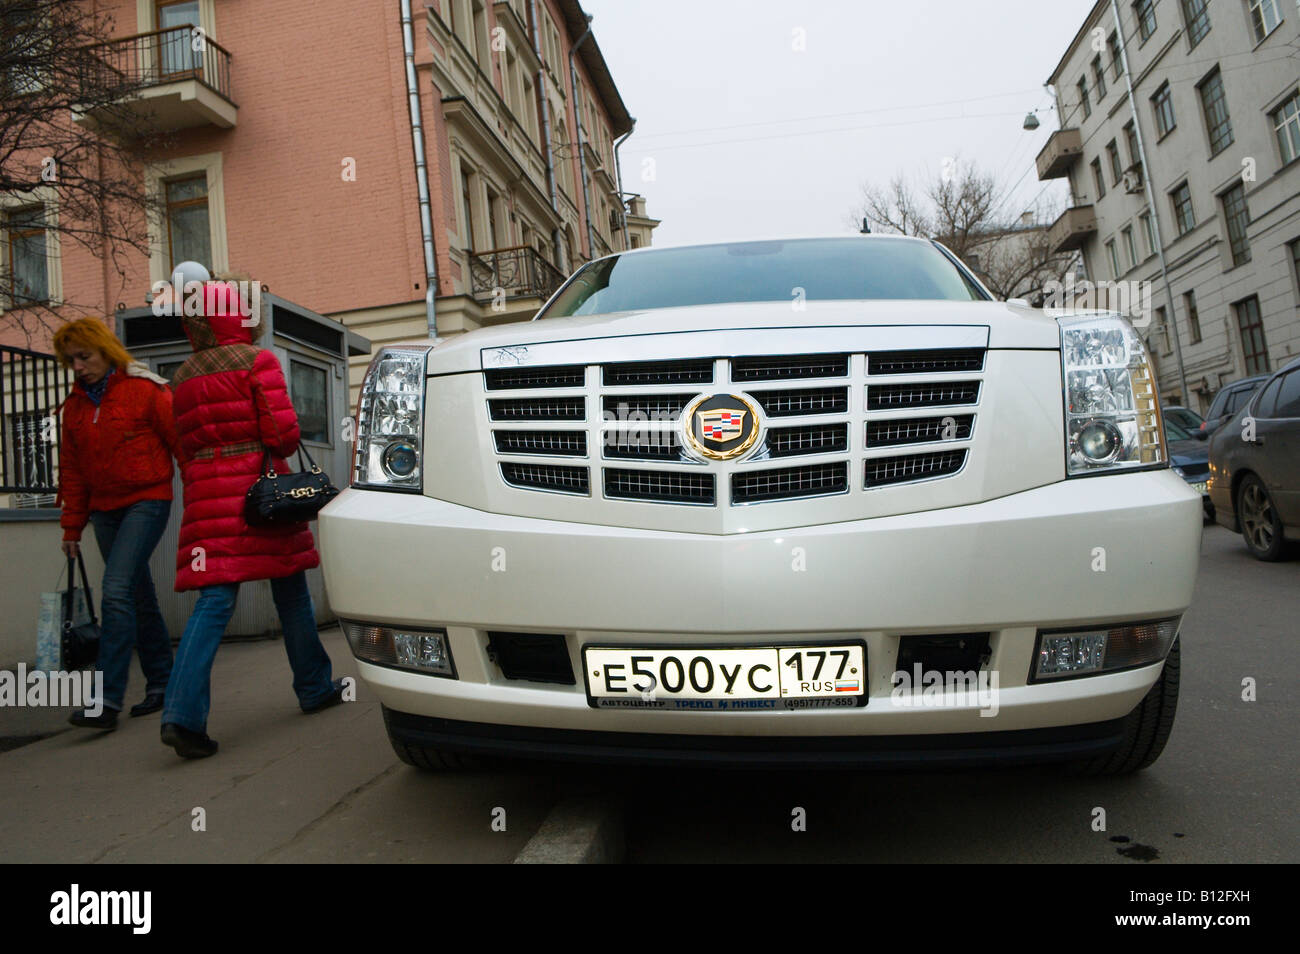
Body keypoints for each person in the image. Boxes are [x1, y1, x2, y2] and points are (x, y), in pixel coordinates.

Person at [160, 262, 343, 759]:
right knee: (291, 592)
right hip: (263, 498)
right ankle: (313, 688)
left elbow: (183, 446)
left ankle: (181, 714)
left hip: (208, 497)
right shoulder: (256, 362)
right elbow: (283, 436)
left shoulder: (182, 376)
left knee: (214, 601)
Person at [53, 318, 179, 729]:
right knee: (136, 595)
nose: (77, 366)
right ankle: (162, 682)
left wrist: (204, 496)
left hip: (147, 500)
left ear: (106, 351)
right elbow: (71, 469)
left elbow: (181, 443)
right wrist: (71, 527)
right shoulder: (73, 407)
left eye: (84, 356)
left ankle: (105, 701)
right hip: (103, 510)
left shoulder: (145, 390)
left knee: (116, 590)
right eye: (70, 359)